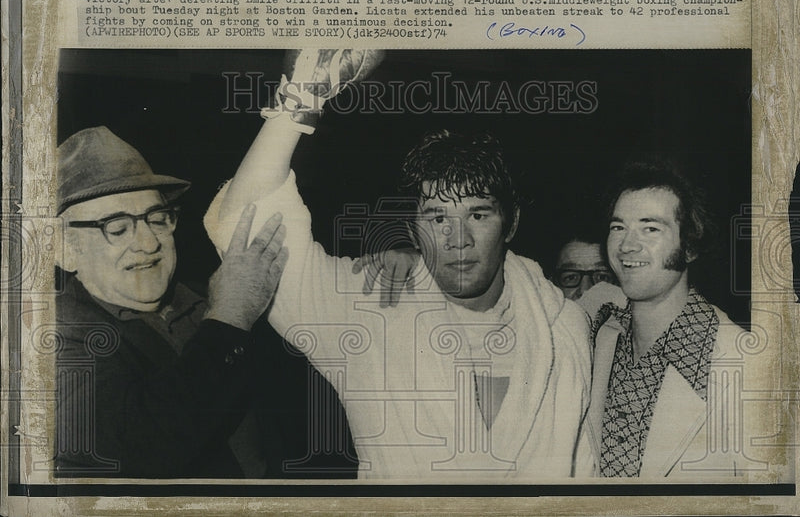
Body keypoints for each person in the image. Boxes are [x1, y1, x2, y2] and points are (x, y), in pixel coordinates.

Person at [203, 49, 595, 480]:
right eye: (437, 217)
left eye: (478, 215)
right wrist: (301, 98)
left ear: (512, 222)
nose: (458, 239)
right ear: (412, 227)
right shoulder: (370, 305)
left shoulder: (565, 324)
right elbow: (245, 218)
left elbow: (586, 471)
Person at [55, 126, 356, 478]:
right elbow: (143, 447)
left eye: (156, 218)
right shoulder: (58, 339)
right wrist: (230, 316)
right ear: (65, 250)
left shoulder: (208, 297)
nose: (148, 242)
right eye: (117, 228)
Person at [580, 159, 751, 478]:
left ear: (690, 247)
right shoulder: (602, 339)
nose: (627, 246)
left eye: (650, 228)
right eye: (618, 227)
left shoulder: (743, 361)